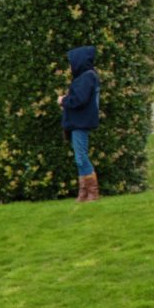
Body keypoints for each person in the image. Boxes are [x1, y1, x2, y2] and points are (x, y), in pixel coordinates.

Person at [60, 45, 101, 202]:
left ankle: (92, 192)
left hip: (80, 123)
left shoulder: (86, 77)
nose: (70, 67)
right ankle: (83, 192)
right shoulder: (87, 77)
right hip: (78, 123)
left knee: (81, 157)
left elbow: (79, 100)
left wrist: (63, 100)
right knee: (79, 157)